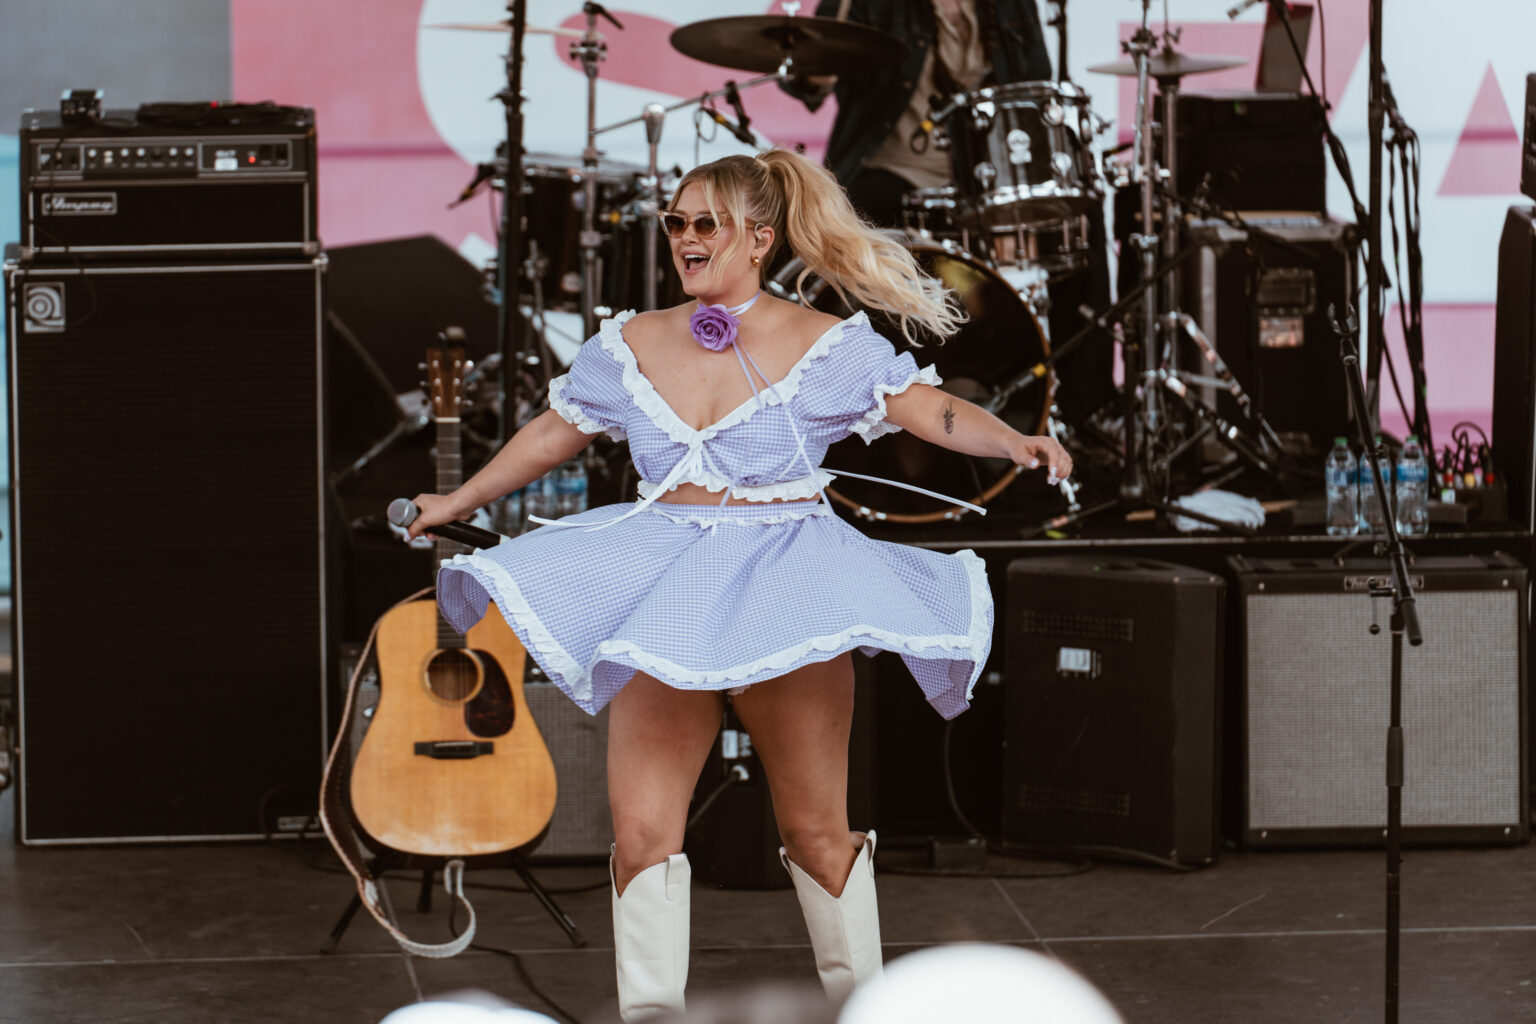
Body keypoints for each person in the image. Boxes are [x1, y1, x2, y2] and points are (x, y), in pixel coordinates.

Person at [405, 148, 1070, 1021]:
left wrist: (1014, 441)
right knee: (642, 836)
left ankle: (863, 1010)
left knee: (817, 832)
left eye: (704, 223)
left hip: (786, 582)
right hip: (665, 587)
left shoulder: (824, 345)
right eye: (675, 222)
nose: (684, 237)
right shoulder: (631, 343)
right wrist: (456, 497)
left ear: (759, 239)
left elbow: (929, 410)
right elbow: (549, 436)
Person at [783, 0, 1116, 425]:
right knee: (864, 211)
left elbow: (1032, 89)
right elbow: (806, 78)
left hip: (984, 177)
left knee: (1081, 219)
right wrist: (819, 69)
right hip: (891, 166)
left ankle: (1090, 413)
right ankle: (855, 413)